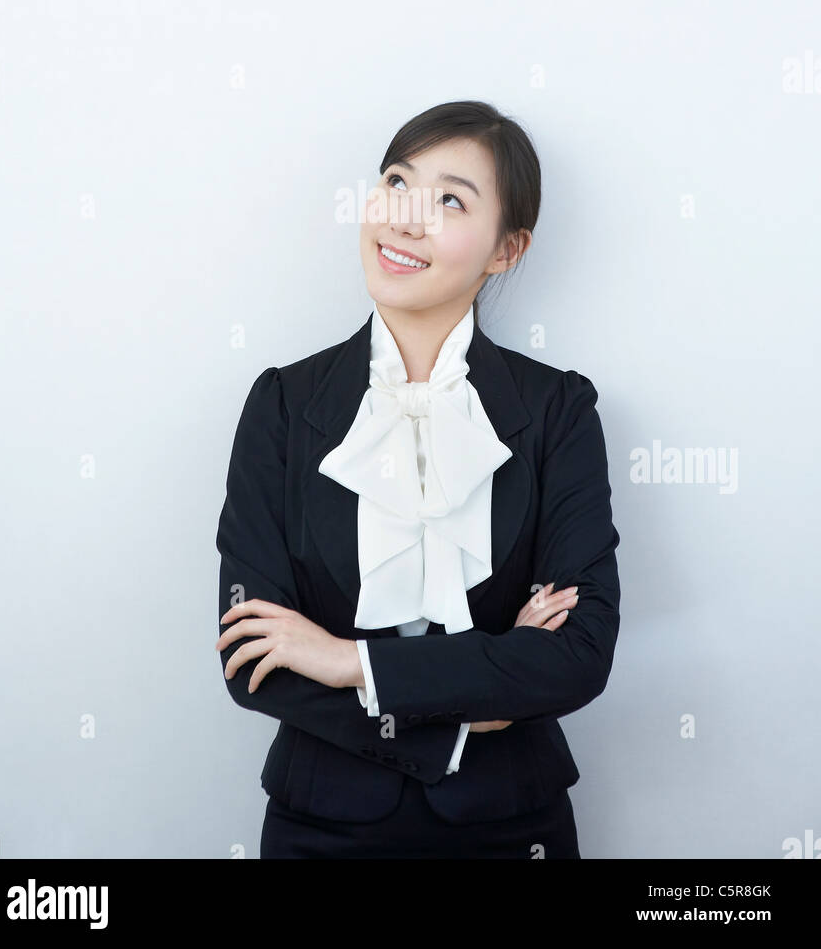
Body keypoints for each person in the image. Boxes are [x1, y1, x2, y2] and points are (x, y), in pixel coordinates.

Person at [215, 98, 620, 858]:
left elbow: (576, 655)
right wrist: (473, 708)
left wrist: (346, 659)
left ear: (507, 249)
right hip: (321, 830)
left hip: (513, 827)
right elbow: (252, 659)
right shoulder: (282, 405)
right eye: (396, 182)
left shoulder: (558, 409)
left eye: (449, 201)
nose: (404, 217)